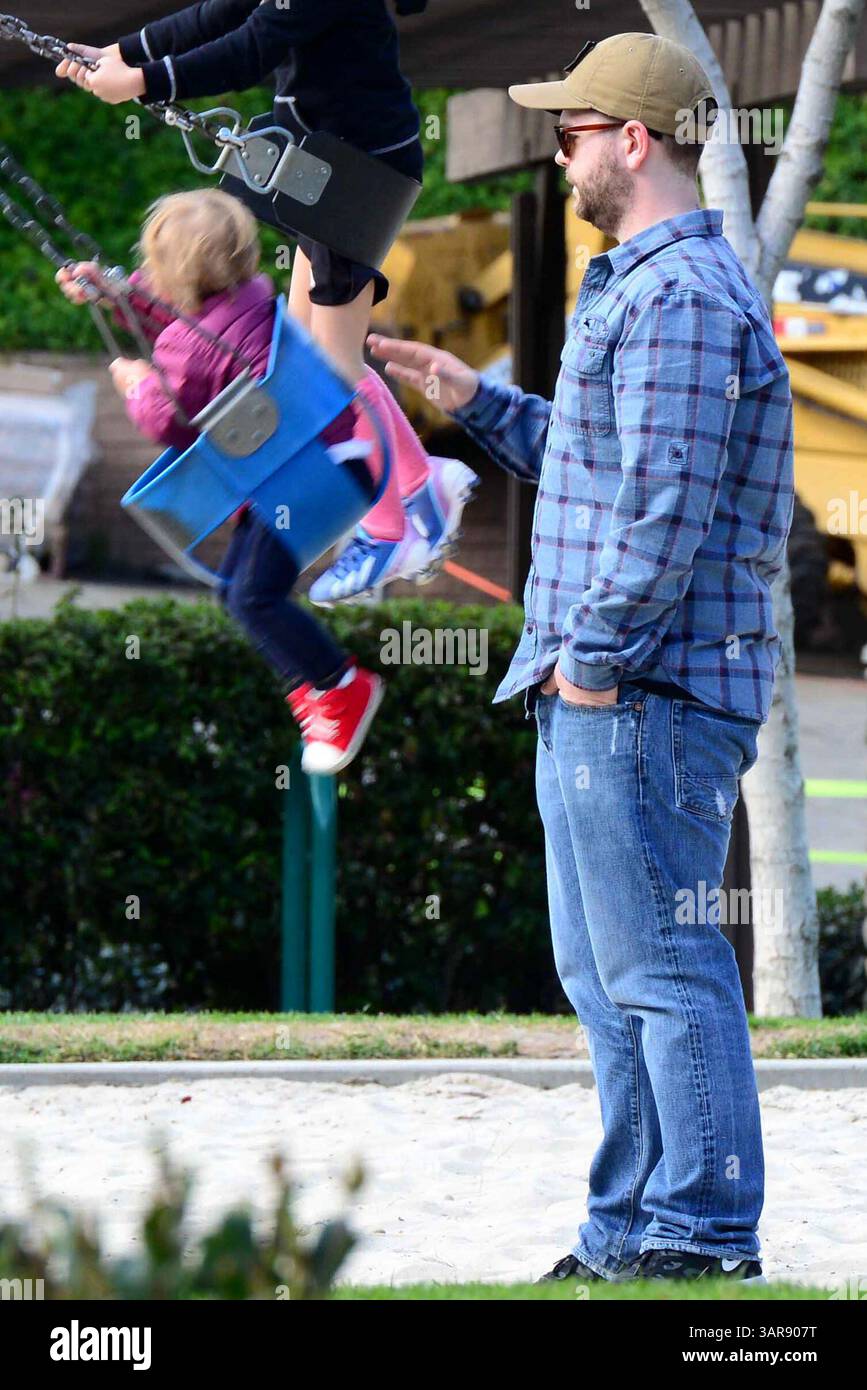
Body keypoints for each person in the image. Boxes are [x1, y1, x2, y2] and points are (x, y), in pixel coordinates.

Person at [369, 32, 795, 1284]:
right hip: (609, 692)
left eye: (569, 133)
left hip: (640, 696)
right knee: (615, 984)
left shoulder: (677, 299)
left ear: (632, 138)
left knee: (661, 970)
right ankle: (626, 1238)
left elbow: (663, 507)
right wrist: (477, 396)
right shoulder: (646, 287)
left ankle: (705, 1241)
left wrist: (595, 662)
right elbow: (611, 465)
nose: (558, 154)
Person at [55, 0, 478, 603]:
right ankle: (420, 481)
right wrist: (124, 53)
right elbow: (216, 16)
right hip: (336, 161)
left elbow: (252, 47)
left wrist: (144, 80)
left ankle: (389, 529)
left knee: (329, 372)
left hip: (354, 172)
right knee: (313, 358)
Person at [57, 187, 384, 774]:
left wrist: (136, 383)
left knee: (253, 596)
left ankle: (341, 685)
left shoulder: (192, 348)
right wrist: (118, 294)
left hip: (301, 482)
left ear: (175, 275)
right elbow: (189, 322)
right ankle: (312, 690)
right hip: (334, 462)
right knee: (236, 591)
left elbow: (168, 421)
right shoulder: (250, 300)